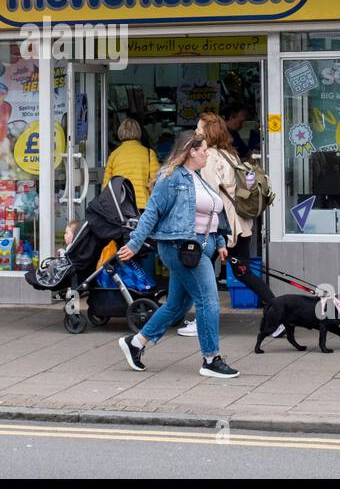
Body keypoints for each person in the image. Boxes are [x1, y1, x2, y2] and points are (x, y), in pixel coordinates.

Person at [116, 133, 240, 379]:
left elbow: (210, 215)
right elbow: (152, 211)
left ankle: (136, 343)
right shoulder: (170, 177)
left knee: (177, 304)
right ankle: (211, 359)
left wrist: (219, 242)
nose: (207, 154)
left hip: (199, 247)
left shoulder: (198, 178)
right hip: (181, 248)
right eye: (204, 150)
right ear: (191, 151)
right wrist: (135, 243)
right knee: (208, 300)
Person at [168, 113, 276, 339]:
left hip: (221, 226)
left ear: (207, 133)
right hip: (240, 223)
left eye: (199, 129)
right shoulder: (230, 154)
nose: (196, 133)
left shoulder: (209, 158)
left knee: (202, 271)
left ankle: (201, 321)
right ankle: (278, 315)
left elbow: (208, 195)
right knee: (242, 271)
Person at [102, 118, 159, 210]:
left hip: (120, 205)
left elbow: (106, 186)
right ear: (139, 132)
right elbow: (156, 183)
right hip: (143, 206)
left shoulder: (114, 155)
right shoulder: (148, 153)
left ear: (120, 132)